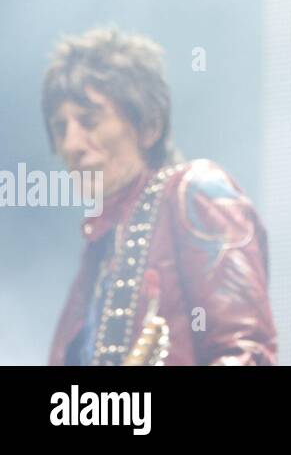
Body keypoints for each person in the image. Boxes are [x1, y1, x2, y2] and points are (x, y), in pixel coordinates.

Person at [44, 27, 277, 366]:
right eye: (60, 128)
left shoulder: (196, 191)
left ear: (149, 127)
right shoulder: (96, 251)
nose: (70, 145)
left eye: (89, 122)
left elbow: (246, 354)